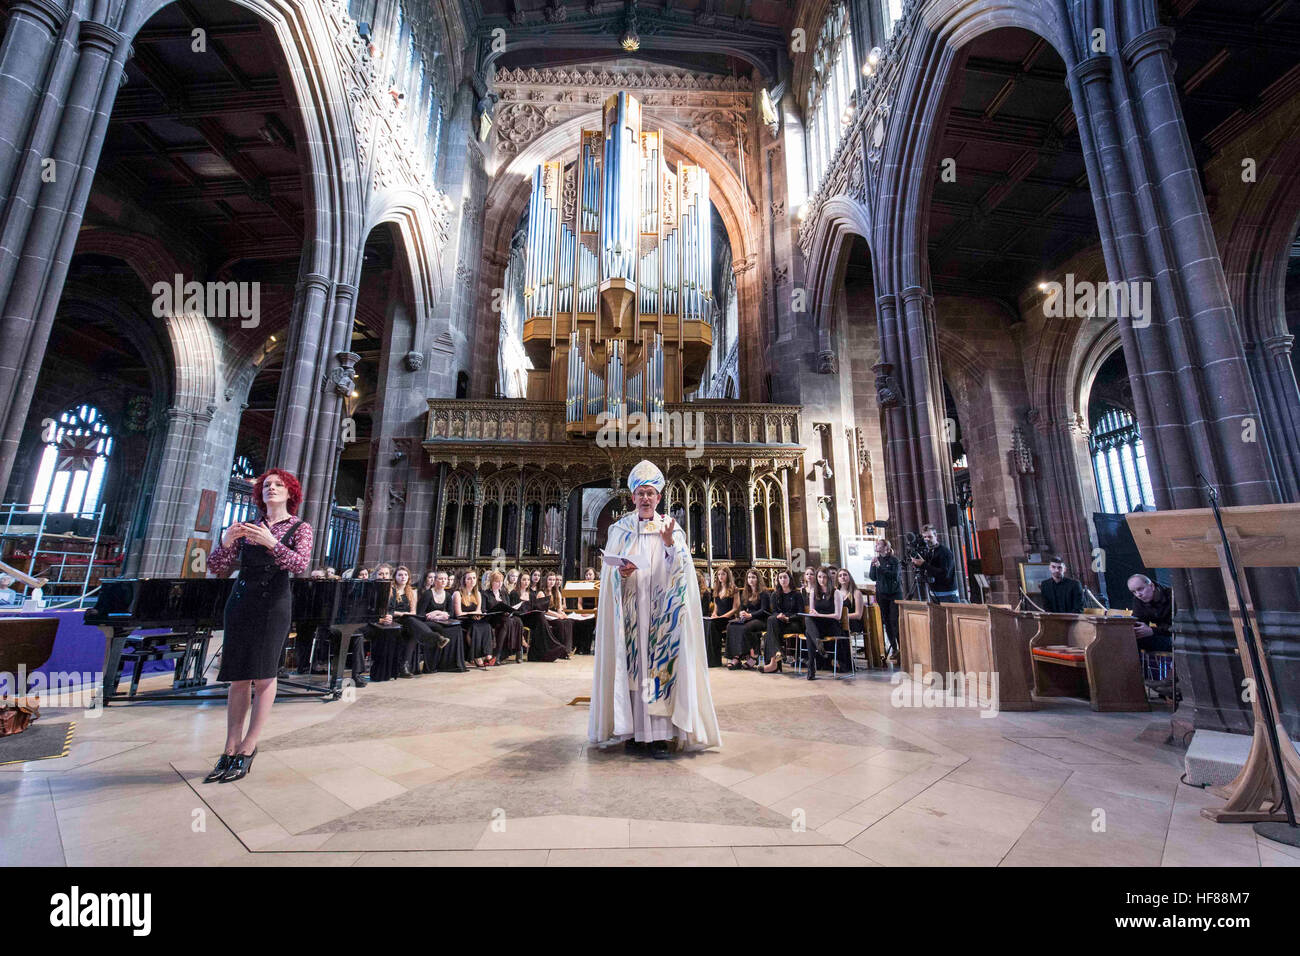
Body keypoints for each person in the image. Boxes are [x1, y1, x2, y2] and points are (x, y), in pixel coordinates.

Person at [589, 460, 720, 757]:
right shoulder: (620, 529)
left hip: (663, 618)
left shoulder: (672, 529)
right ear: (633, 497)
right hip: (632, 615)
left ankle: (660, 735)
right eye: (641, 493)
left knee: (658, 673)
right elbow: (609, 572)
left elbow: (685, 574)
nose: (646, 498)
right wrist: (618, 575)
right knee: (634, 672)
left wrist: (669, 545)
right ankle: (636, 732)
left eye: (651, 493)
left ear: (659, 498)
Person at [203, 468, 312, 784]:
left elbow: (299, 565)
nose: (271, 488)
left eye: (278, 485)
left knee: (264, 675)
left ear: (291, 492)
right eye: (266, 485)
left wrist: (271, 543)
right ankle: (229, 746)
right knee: (238, 676)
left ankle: (249, 746)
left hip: (274, 602)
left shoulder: (300, 528)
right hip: (241, 601)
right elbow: (218, 568)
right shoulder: (246, 527)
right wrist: (224, 543)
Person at [802, 567, 844, 681]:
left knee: (808, 632)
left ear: (829, 578)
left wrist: (820, 615)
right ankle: (818, 643)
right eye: (819, 577)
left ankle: (811, 667)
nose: (822, 580)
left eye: (824, 577)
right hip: (818, 626)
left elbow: (838, 616)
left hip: (832, 625)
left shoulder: (836, 593)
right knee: (808, 619)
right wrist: (814, 614)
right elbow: (812, 611)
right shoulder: (813, 592)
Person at [762, 568, 804, 673]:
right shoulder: (774, 595)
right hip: (780, 623)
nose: (782, 580)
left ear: (790, 579)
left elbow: (800, 613)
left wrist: (788, 618)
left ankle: (773, 663)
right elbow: (774, 612)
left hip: (794, 623)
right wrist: (779, 616)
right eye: (780, 578)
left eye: (785, 577)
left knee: (770, 629)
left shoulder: (797, 594)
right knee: (772, 620)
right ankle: (775, 658)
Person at [726, 569, 769, 669]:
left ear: (758, 579)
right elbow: (742, 607)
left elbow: (764, 610)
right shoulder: (746, 592)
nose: (751, 580)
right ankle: (736, 657)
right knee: (731, 626)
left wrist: (750, 615)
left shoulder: (764, 593)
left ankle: (753, 656)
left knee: (745, 628)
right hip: (749, 618)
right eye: (749, 577)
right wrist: (742, 613)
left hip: (761, 619)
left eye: (753, 577)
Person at [453, 568, 496, 668]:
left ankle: (488, 655)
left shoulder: (477, 594)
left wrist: (477, 615)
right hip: (463, 620)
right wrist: (473, 613)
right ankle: (477, 656)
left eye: (474, 578)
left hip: (474, 619)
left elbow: (479, 611)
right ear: (464, 580)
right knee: (475, 627)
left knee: (486, 625)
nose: (472, 580)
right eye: (469, 579)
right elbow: (459, 614)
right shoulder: (457, 594)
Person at [868, 539, 902, 661]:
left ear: (886, 547)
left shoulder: (894, 560)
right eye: (876, 544)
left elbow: (894, 576)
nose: (876, 546)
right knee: (886, 621)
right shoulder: (877, 560)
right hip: (882, 594)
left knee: (894, 620)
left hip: (894, 594)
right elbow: (872, 577)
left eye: (879, 544)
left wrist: (880, 567)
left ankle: (901, 647)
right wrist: (873, 566)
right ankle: (894, 648)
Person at [483, 570, 525, 663]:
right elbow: (484, 610)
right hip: (492, 618)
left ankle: (518, 651)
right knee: (506, 622)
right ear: (491, 582)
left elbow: (508, 607)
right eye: (496, 581)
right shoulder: (486, 594)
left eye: (501, 581)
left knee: (518, 620)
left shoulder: (504, 593)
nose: (499, 584)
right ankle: (498, 654)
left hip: (504, 617)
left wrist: (509, 611)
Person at [912, 524, 959, 603]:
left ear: (936, 535)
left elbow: (944, 574)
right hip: (934, 593)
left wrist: (923, 564)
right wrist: (918, 565)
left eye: (930, 537)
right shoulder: (928, 552)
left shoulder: (944, 552)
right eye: (924, 537)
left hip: (947, 594)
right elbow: (928, 570)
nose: (927, 539)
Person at [1127, 574, 1173, 652]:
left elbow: (1181, 627)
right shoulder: (1138, 600)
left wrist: (1152, 631)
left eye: (1140, 589)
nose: (1138, 594)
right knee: (1129, 641)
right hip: (1162, 634)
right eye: (1134, 592)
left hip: (1179, 637)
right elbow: (1138, 622)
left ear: (1152, 586)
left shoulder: (1171, 595)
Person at [703, 567, 737, 667]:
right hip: (718, 619)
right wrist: (714, 615)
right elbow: (716, 608)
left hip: (729, 619)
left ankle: (714, 661)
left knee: (712, 625)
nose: (720, 577)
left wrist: (722, 617)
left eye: (723, 574)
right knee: (707, 623)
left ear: (728, 575)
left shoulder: (734, 589)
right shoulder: (717, 589)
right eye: (719, 574)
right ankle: (711, 659)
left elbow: (735, 608)